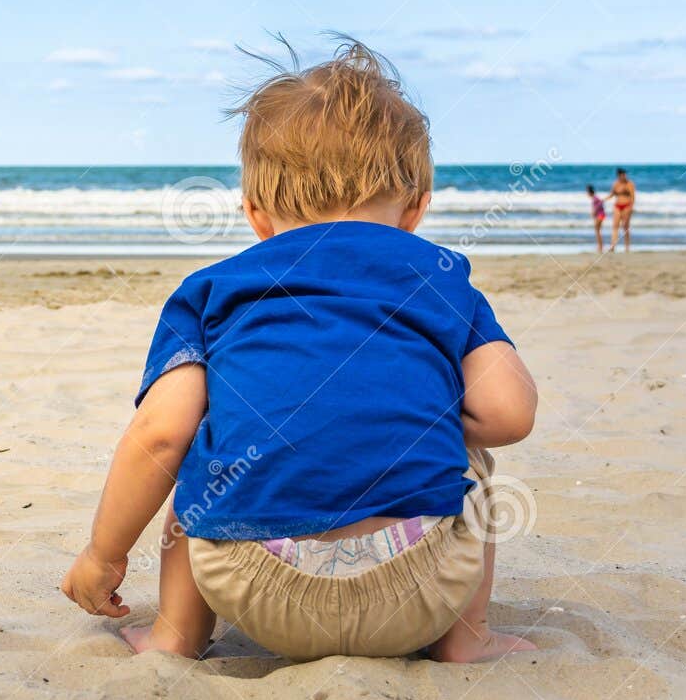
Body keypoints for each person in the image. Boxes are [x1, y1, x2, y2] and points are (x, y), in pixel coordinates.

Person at [59, 38, 539, 664]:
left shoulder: (211, 291)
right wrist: (413, 412)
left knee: (204, 438)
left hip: (251, 588)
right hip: (420, 591)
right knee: (469, 458)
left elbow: (158, 436)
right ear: (416, 209)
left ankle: (176, 637)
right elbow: (510, 415)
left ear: (256, 214)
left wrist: (103, 555)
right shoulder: (440, 278)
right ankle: (466, 640)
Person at [608, 167, 635, 252]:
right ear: (618, 176)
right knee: (615, 226)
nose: (624, 176)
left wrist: (631, 207)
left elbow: (633, 196)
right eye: (622, 175)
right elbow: (612, 194)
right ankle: (612, 246)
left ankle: (627, 246)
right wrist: (604, 199)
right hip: (617, 205)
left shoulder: (629, 183)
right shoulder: (616, 184)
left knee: (625, 226)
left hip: (627, 205)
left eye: (624, 175)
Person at [587, 183, 606, 252]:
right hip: (600, 215)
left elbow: (600, 204)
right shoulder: (595, 198)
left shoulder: (595, 198)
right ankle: (600, 245)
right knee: (598, 230)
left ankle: (600, 246)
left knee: (597, 230)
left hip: (600, 215)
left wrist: (594, 212)